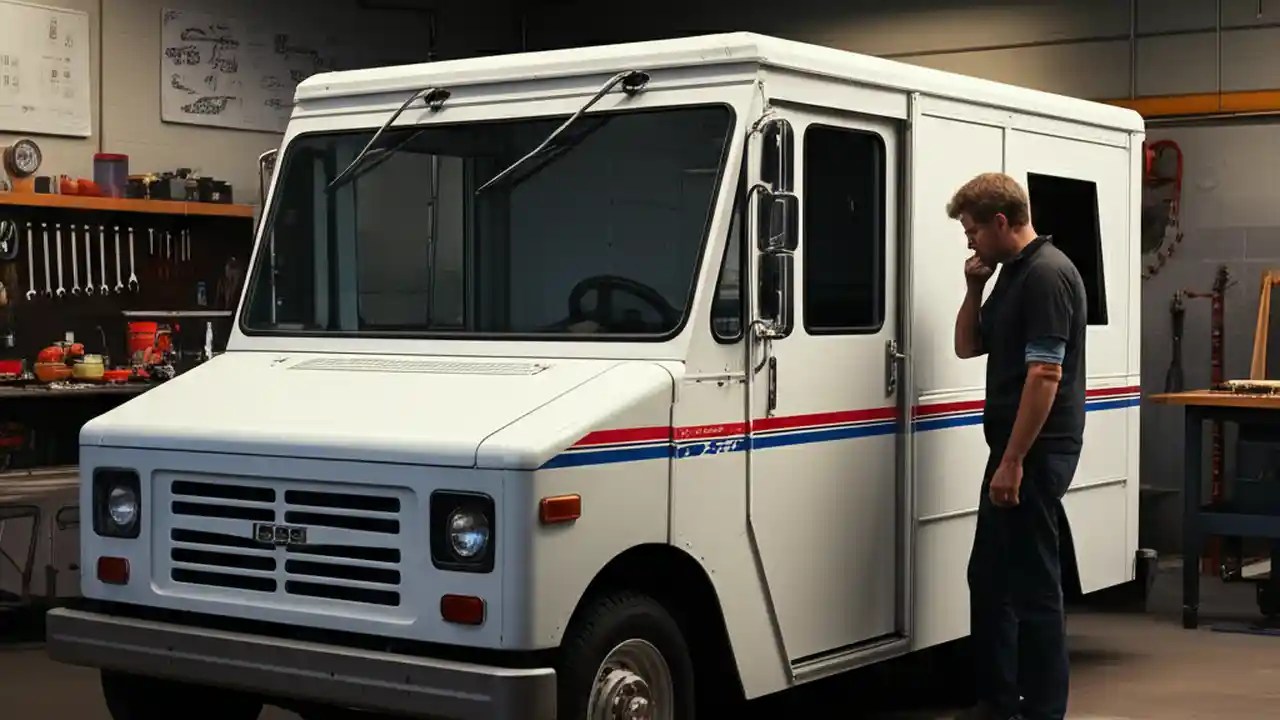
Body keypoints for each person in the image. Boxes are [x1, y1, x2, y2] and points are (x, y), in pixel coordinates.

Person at [948, 172, 1087, 720]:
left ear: (1001, 222)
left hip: (1035, 454)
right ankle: (998, 701)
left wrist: (1013, 462)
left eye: (973, 230)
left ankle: (1044, 711)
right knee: (988, 577)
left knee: (1034, 588)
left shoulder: (1047, 276)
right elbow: (967, 346)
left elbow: (1045, 376)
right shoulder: (1010, 274)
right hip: (1010, 452)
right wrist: (973, 287)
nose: (969, 241)